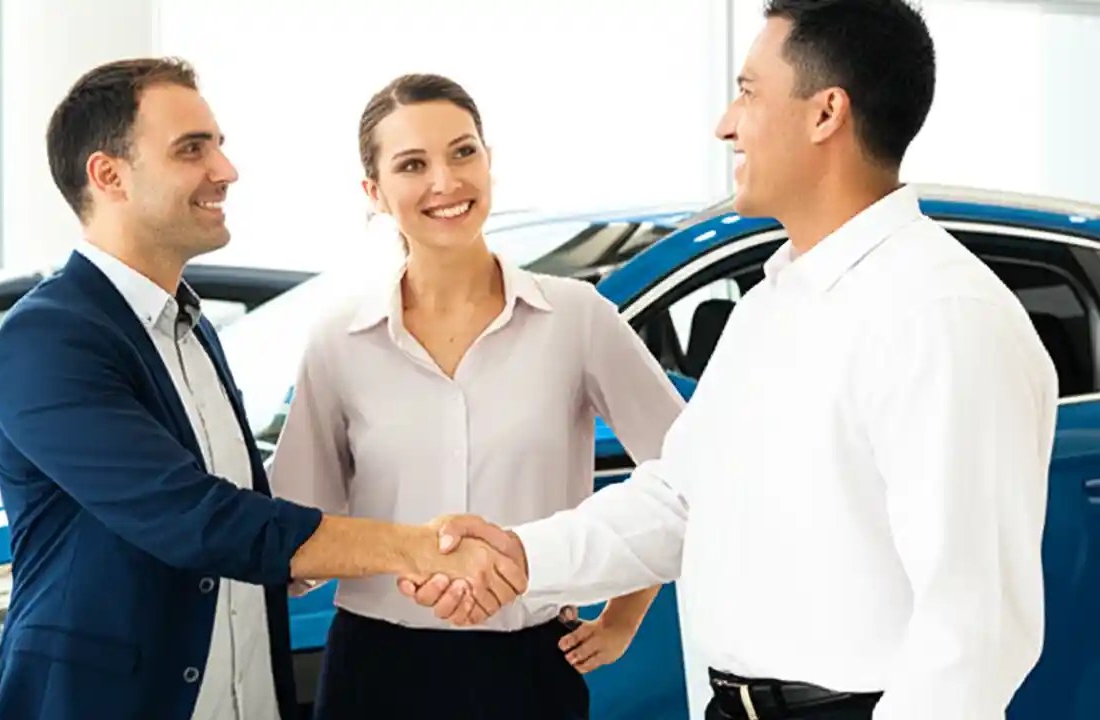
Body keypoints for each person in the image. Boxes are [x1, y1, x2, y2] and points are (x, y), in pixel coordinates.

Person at [406, 2, 1059, 719]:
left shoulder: (941, 316)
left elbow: (972, 631)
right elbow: (681, 500)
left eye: (748, 92)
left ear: (825, 114)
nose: (725, 122)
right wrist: (522, 555)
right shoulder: (770, 305)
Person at [0, 58, 525, 720]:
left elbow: (246, 513)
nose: (225, 170)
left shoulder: (188, 327)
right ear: (109, 175)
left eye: (218, 145)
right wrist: (416, 545)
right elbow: (195, 518)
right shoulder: (48, 339)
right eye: (192, 150)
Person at [267, 72, 685, 720]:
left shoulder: (576, 317)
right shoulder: (338, 342)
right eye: (413, 164)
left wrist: (623, 617)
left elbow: (686, 473)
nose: (446, 182)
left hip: (526, 669)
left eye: (464, 152)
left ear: (489, 161)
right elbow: (300, 527)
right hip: (375, 670)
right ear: (373, 192)